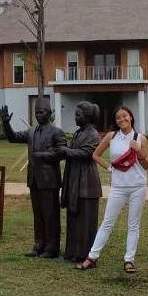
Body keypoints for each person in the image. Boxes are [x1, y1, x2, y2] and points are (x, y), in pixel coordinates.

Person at [76, 106, 148, 274]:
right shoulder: (111, 136)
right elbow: (95, 155)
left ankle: (129, 260)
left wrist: (138, 151)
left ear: (131, 117)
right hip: (118, 187)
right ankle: (91, 257)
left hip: (138, 186)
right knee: (107, 222)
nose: (122, 120)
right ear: (115, 121)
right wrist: (110, 169)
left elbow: (146, 165)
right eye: (118, 118)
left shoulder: (141, 138)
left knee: (133, 224)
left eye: (125, 116)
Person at [2, 98, 66, 258]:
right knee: (37, 214)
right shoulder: (32, 131)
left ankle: (52, 248)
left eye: (41, 112)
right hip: (34, 179)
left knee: (50, 215)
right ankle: (39, 244)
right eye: (36, 112)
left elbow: (62, 152)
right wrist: (6, 124)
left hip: (49, 180)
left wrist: (43, 155)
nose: (38, 115)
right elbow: (13, 137)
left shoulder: (56, 132)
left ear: (49, 113)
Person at [58, 102, 102, 264]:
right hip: (74, 178)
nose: (75, 117)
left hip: (87, 182)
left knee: (86, 220)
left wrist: (66, 151)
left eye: (78, 115)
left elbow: (88, 153)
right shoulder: (77, 134)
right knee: (74, 218)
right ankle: (72, 252)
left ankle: (85, 254)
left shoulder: (93, 134)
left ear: (88, 116)